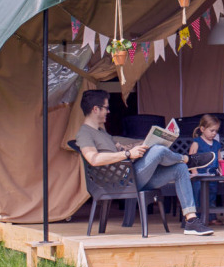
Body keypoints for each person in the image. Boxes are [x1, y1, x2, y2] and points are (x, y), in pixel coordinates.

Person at [74, 90, 215, 235]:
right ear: (95, 109)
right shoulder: (84, 133)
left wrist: (144, 144)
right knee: (159, 151)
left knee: (179, 168)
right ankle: (188, 160)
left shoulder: (102, 132)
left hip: (131, 177)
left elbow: (120, 149)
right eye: (106, 108)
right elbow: (93, 158)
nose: (109, 111)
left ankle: (191, 220)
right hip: (120, 182)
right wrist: (128, 153)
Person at [187, 114, 222, 224]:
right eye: (211, 130)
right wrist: (195, 172)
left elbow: (220, 159)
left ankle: (211, 217)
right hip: (199, 176)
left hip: (212, 175)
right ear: (202, 129)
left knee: (211, 196)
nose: (214, 133)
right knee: (197, 196)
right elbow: (191, 158)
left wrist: (222, 171)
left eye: (216, 131)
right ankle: (197, 218)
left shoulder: (216, 144)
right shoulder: (197, 143)